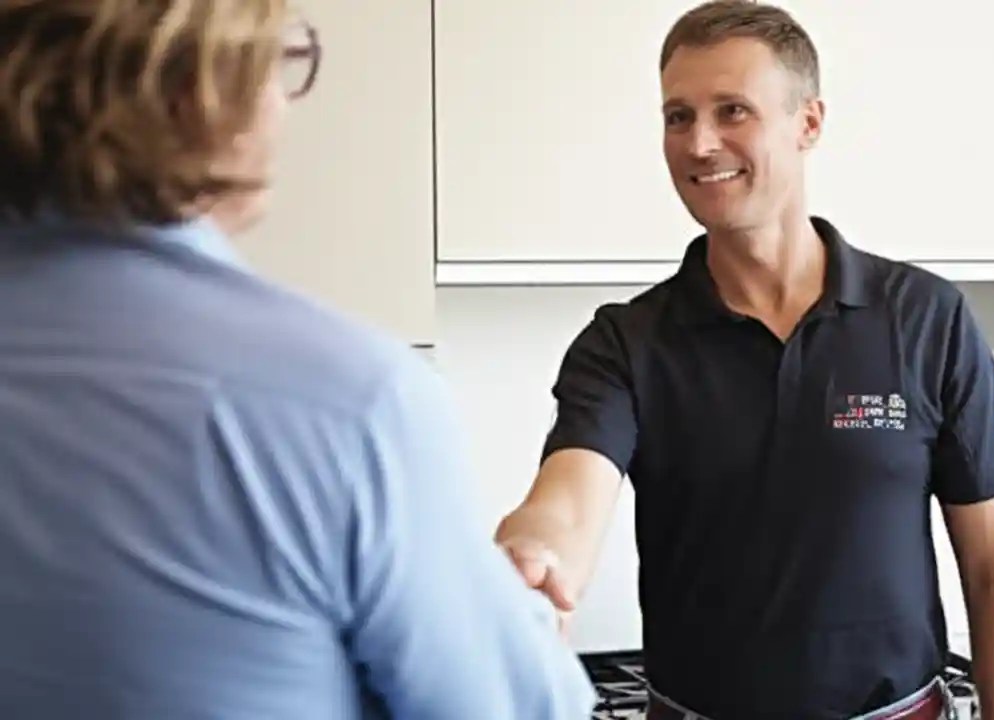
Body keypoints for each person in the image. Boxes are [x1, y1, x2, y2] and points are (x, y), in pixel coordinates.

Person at [0, 2, 596, 719]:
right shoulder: (348, 402)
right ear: (198, 93)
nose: (284, 100)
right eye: (277, 62)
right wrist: (519, 617)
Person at [495, 1, 994, 719]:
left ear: (808, 123)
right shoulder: (627, 342)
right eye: (677, 116)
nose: (699, 143)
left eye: (732, 111)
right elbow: (571, 493)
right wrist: (533, 550)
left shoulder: (924, 317)